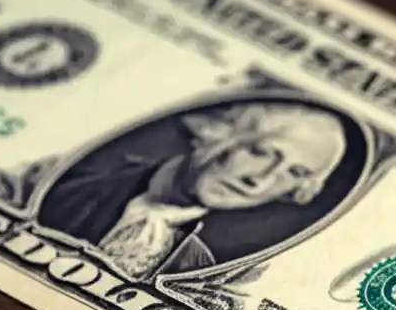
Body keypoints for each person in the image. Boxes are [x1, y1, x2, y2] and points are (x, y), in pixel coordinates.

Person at [23, 102, 347, 280]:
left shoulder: (215, 266)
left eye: (294, 173)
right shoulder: (70, 185)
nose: (260, 181)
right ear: (216, 135)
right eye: (260, 152)